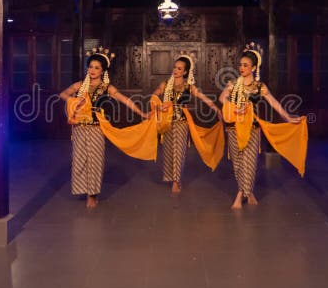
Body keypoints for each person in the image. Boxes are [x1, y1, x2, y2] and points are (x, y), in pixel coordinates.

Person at [59, 47, 150, 209]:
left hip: (96, 128)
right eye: (90, 67)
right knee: (80, 160)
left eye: (96, 67)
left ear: (103, 71)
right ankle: (83, 189)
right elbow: (63, 94)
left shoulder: (107, 88)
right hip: (79, 128)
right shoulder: (80, 85)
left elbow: (125, 100)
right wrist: (74, 102)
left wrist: (142, 113)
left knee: (95, 161)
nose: (92, 70)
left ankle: (92, 195)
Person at [219, 43, 303, 209]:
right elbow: (222, 98)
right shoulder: (233, 84)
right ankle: (249, 191)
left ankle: (240, 194)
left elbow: (274, 102)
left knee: (249, 162)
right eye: (240, 65)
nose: (242, 68)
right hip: (234, 129)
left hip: (253, 129)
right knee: (237, 163)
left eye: (245, 65)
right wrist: (235, 108)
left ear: (253, 68)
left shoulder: (259, 87)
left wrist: (287, 117)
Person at [152, 55, 221, 193]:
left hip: (182, 122)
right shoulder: (165, 84)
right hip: (167, 122)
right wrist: (160, 106)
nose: (175, 70)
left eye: (179, 68)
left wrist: (217, 109)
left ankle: (176, 181)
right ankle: (171, 177)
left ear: (185, 72)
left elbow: (204, 98)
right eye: (175, 67)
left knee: (179, 151)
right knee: (169, 151)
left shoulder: (189, 87)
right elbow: (154, 96)